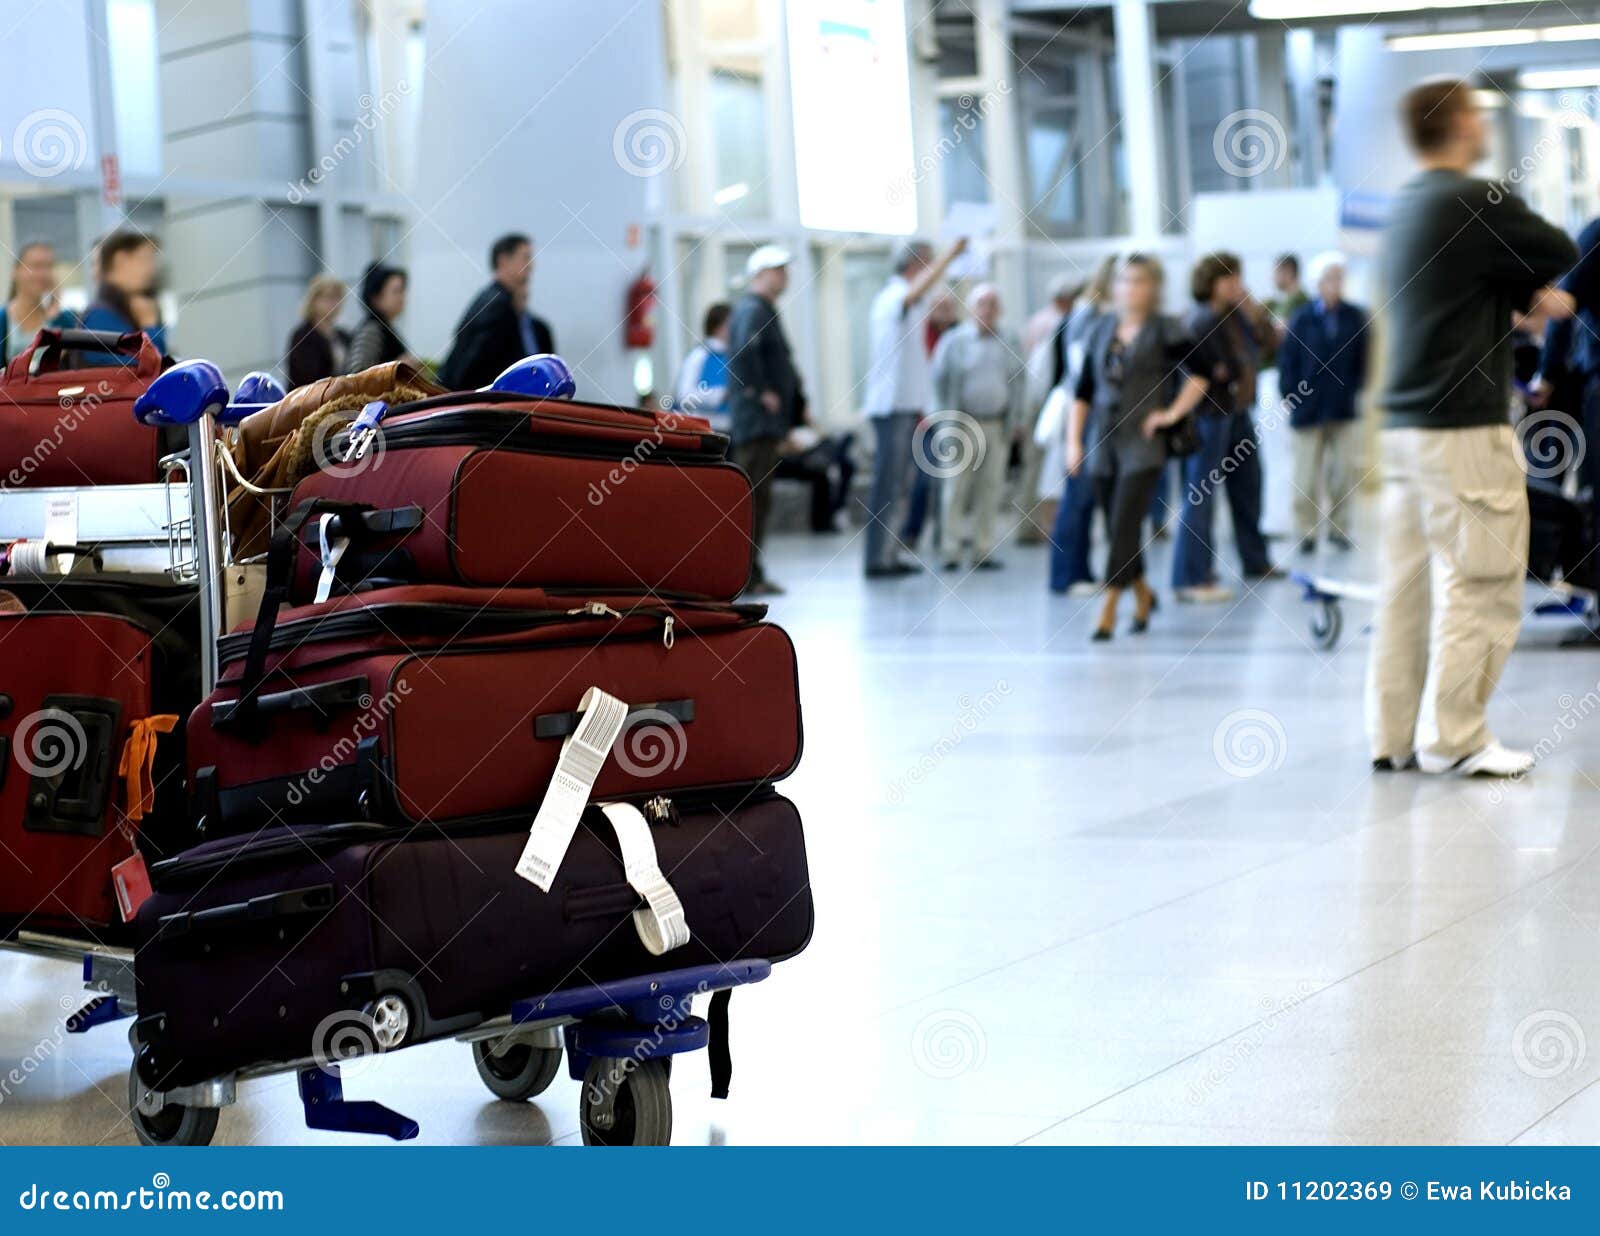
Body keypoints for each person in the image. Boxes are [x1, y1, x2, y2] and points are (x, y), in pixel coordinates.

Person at [1368, 77, 1576, 779]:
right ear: (1459, 123)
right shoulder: (1473, 199)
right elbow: (1556, 249)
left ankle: (1392, 736)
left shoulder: (1410, 206)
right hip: (1459, 426)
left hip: (1402, 427)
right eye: (1479, 116)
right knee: (1482, 580)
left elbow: (1484, 287)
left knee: (1406, 587)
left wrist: (1517, 294)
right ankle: (1456, 736)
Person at [1065, 255, 1210, 640]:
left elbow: (1202, 375)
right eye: (1125, 281)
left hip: (1144, 443)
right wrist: (1073, 441)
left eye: (1140, 281)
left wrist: (1171, 414)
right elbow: (1082, 390)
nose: (1131, 288)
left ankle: (1108, 604)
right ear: (1114, 286)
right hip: (1103, 438)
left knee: (1126, 520)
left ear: (1154, 287)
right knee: (1117, 530)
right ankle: (1143, 593)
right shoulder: (1100, 329)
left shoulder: (1167, 329)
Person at [1172, 251, 1279, 602]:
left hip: (1237, 412)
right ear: (1211, 283)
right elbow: (1213, 370)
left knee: (1249, 486)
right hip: (1210, 416)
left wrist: (1252, 309)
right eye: (1229, 279)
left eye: (1238, 277)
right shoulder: (1201, 320)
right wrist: (1227, 371)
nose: (1237, 284)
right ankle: (1192, 574)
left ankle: (1255, 559)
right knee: (1201, 495)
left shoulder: (1236, 316)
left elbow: (1271, 344)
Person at [861, 237, 968, 579]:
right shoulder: (893, 296)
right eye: (930, 262)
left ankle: (889, 554)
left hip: (907, 405)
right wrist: (951, 253)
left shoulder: (910, 301)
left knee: (901, 486)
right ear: (915, 264)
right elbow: (913, 294)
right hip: (891, 407)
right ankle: (878, 558)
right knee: (888, 485)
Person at [1276, 251, 1369, 554]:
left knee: (1342, 474)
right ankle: (1306, 532)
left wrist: (1354, 389)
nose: (1336, 284)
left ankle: (1339, 529)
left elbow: (1363, 361)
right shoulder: (1302, 318)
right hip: (1308, 408)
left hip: (1341, 407)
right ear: (1318, 282)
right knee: (1305, 477)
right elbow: (1288, 361)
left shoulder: (1355, 316)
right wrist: (1291, 394)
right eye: (1330, 278)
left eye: (1340, 278)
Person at [931, 283, 1026, 571]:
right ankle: (951, 548)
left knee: (991, 489)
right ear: (971, 309)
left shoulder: (1010, 339)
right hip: (962, 425)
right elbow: (939, 382)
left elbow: (1019, 382)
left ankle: (983, 548)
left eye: (993, 304)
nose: (988, 309)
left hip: (996, 424)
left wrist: (1018, 419)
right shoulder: (954, 342)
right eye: (982, 303)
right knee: (956, 490)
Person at [726, 245, 802, 596]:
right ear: (759, 274)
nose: (784, 276)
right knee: (752, 501)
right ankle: (744, 575)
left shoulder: (763, 311)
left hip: (766, 425)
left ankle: (751, 572)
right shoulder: (753, 311)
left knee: (760, 500)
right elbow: (744, 354)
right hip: (756, 424)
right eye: (777, 269)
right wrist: (761, 392)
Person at [1047, 256, 1117, 595]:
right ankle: (1066, 575)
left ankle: (1082, 571)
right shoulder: (1089, 314)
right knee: (1078, 495)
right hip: (1084, 412)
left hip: (1098, 414)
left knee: (1088, 498)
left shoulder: (1099, 313)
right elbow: (1083, 372)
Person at [437, 234, 555, 389]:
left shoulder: (494, 299)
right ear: (503, 261)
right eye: (526, 258)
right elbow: (473, 368)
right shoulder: (498, 306)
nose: (531, 266)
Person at [901, 289, 963, 552]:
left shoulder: (961, 336)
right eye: (937, 305)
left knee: (951, 481)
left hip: (955, 417)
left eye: (948, 306)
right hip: (924, 419)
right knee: (925, 479)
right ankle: (911, 532)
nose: (943, 311)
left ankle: (945, 534)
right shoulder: (918, 335)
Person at [80, 230, 168, 362]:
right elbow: (136, 373)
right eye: (145, 259)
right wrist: (150, 328)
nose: (152, 268)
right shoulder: (99, 318)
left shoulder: (127, 311)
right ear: (120, 260)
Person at [346, 262, 416, 373]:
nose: (402, 297)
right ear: (376, 298)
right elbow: (356, 374)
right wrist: (395, 368)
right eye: (396, 292)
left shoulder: (384, 327)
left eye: (403, 291)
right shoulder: (371, 330)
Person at [675, 301, 733, 433]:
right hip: (705, 429)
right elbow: (683, 395)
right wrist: (721, 394)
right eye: (732, 324)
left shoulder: (733, 356)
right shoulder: (698, 356)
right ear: (717, 327)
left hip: (732, 429)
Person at [284, 274, 350, 388]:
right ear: (313, 301)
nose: (334, 303)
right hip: (308, 401)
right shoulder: (302, 336)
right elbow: (305, 377)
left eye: (338, 297)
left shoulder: (344, 335)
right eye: (329, 297)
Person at [1, 241, 58, 365]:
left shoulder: (63, 320)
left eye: (49, 266)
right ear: (15, 271)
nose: (44, 274)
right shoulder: (3, 320)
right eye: (36, 266)